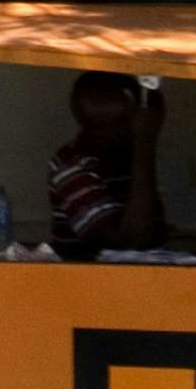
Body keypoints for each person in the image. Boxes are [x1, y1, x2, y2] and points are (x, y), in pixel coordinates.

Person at [45, 73, 168, 260]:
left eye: (123, 123)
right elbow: (129, 243)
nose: (111, 134)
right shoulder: (71, 164)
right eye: (98, 126)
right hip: (92, 284)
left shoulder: (127, 158)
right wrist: (145, 145)